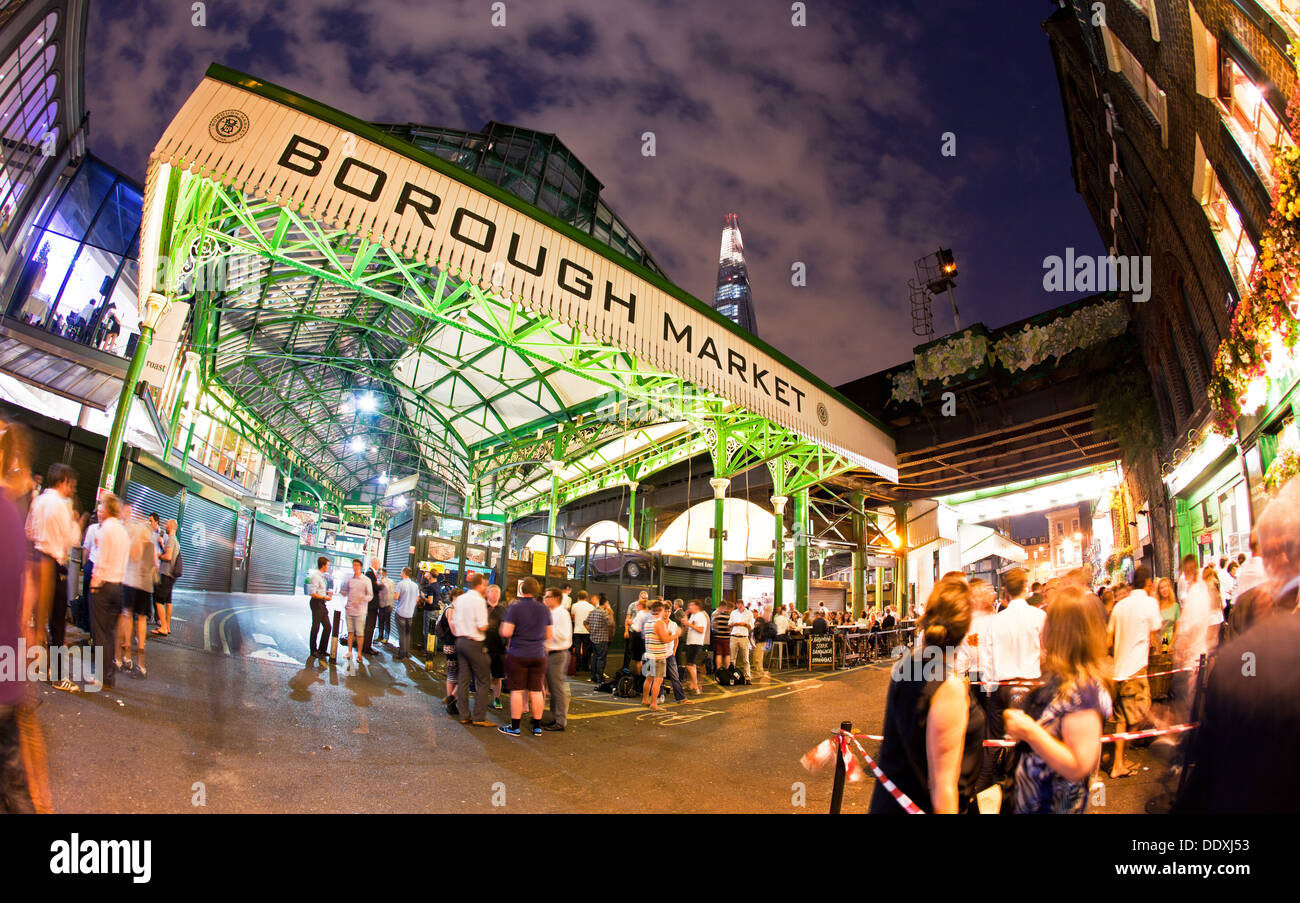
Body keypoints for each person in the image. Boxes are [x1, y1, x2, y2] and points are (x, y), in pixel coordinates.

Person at [868, 577, 983, 814]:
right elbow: (942, 786)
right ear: (966, 625)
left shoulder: (908, 664)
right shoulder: (948, 687)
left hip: (891, 802)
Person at [1005, 585, 1112, 814]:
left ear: (1062, 631)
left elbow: (1078, 766)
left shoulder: (1083, 693)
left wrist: (1028, 732)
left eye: (1049, 619)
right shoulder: (1065, 680)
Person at [25, 463, 82, 687]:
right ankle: (57, 675)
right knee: (57, 621)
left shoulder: (37, 501)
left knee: (35, 618)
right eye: (72, 485)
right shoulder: (60, 506)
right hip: (54, 565)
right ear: (64, 481)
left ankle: (29, 668)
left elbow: (28, 531)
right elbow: (72, 539)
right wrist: (77, 522)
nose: (73, 489)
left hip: (35, 560)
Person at [1106, 566, 1162, 779]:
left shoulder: (1120, 606)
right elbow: (1157, 628)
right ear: (1148, 583)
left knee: (1122, 718)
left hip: (1119, 671)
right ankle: (1118, 763)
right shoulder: (1149, 602)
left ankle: (1120, 760)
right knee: (1140, 715)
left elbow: (1109, 638)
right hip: (1136, 671)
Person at [499, 577, 552, 737]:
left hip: (518, 653)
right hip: (538, 654)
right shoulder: (544, 609)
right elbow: (549, 634)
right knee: (536, 691)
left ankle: (515, 727)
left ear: (522, 589)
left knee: (517, 690)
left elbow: (506, 632)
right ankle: (537, 727)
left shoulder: (516, 608)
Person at [88, 493, 129, 691]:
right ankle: (109, 676)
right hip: (118, 586)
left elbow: (101, 559)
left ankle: (100, 677)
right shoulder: (122, 530)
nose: (99, 510)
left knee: (100, 633)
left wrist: (95, 581)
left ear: (108, 509)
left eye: (102, 506)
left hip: (104, 586)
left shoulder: (106, 529)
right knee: (110, 633)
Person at [118, 508, 158, 679]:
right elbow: (154, 569)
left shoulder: (131, 544)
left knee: (126, 615)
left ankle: (124, 655)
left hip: (129, 584)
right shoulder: (150, 546)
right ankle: (141, 663)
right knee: (141, 619)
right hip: (144, 587)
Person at [452, 572, 493, 727]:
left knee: (463, 679)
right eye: (485, 585)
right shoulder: (479, 601)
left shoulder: (461, 599)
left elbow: (455, 622)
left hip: (460, 641)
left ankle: (463, 715)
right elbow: (482, 626)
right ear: (480, 585)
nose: (486, 588)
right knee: (483, 680)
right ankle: (479, 717)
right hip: (474, 643)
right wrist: (490, 624)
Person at [542, 587, 571, 731]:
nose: (544, 599)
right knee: (553, 688)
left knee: (557, 688)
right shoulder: (552, 613)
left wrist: (547, 629)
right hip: (550, 653)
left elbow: (563, 635)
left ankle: (560, 721)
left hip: (558, 654)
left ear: (554, 598)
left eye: (547, 597)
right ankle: (554, 717)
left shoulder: (562, 614)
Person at [641, 601, 672, 709]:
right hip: (658, 655)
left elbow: (653, 636)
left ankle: (645, 700)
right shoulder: (659, 623)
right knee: (658, 680)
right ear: (661, 610)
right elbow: (665, 639)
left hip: (649, 654)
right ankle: (654, 703)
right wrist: (676, 634)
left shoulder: (648, 622)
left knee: (648, 679)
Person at [343, 559, 373, 667]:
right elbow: (345, 591)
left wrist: (362, 598)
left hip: (360, 611)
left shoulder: (366, 580)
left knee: (360, 634)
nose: (354, 567)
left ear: (360, 567)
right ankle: (350, 652)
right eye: (353, 565)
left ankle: (359, 654)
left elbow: (370, 596)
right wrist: (343, 593)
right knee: (350, 632)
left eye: (356, 565)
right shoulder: (350, 579)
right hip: (349, 609)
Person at [152, 518, 179, 636]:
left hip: (166, 574)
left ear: (172, 527)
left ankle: (163, 626)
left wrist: (159, 556)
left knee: (158, 600)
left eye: (167, 525)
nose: (165, 526)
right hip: (171, 575)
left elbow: (168, 557)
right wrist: (162, 544)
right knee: (168, 601)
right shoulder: (175, 540)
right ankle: (167, 626)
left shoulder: (171, 539)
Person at [483, 583, 507, 708]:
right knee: (482, 675)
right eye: (492, 591)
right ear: (487, 594)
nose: (495, 594)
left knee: (498, 676)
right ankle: (481, 698)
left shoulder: (503, 610)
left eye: (497, 592)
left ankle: (496, 699)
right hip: (483, 647)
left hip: (499, 648)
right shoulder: (481, 607)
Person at [307, 556, 333, 658]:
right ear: (323, 565)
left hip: (322, 603)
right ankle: (313, 650)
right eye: (327, 565)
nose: (328, 567)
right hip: (316, 603)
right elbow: (312, 593)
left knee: (328, 627)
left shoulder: (322, 576)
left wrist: (326, 595)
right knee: (316, 627)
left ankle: (322, 649)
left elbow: (319, 591)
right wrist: (324, 597)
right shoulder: (316, 576)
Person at [393, 567, 420, 661]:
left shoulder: (400, 584)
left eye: (401, 571)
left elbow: (396, 597)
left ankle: (401, 654)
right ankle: (407, 653)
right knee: (407, 634)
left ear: (404, 573)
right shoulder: (415, 585)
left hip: (401, 612)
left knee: (402, 634)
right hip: (410, 613)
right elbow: (417, 599)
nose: (400, 573)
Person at [585, 593, 612, 684]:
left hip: (593, 638)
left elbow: (585, 622)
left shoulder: (592, 612)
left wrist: (591, 630)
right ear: (604, 603)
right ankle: (600, 678)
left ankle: (593, 677)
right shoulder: (604, 612)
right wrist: (610, 611)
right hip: (602, 639)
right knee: (601, 659)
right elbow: (610, 623)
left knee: (594, 657)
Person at [683, 599, 709, 693]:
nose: (690, 607)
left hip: (696, 642)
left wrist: (688, 624)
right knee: (692, 664)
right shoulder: (693, 615)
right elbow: (688, 627)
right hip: (690, 642)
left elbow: (701, 630)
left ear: (697, 606)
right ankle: (693, 685)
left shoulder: (700, 616)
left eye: (692, 605)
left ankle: (696, 686)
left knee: (690, 665)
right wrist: (686, 617)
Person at [728, 600, 754, 682]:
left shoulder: (749, 613)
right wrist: (733, 624)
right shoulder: (733, 613)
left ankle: (747, 677)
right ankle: (732, 677)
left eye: (740, 605)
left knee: (745, 658)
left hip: (744, 637)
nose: (739, 606)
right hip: (734, 636)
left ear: (743, 605)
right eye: (737, 605)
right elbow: (729, 623)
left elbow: (751, 626)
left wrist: (744, 624)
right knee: (732, 659)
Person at [362, 557, 382, 656]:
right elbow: (375, 587)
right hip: (371, 604)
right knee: (370, 625)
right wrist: (381, 585)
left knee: (369, 626)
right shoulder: (370, 573)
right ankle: (366, 647)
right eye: (379, 563)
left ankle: (366, 646)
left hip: (370, 604)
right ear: (375, 563)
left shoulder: (370, 573)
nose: (379, 565)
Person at [570, 589, 593, 672]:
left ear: (578, 597)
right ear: (587, 597)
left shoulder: (574, 605)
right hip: (587, 630)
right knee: (586, 649)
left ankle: (577, 666)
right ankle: (585, 666)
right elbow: (592, 618)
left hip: (577, 630)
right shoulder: (591, 606)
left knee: (577, 649)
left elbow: (572, 617)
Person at [1155, 577, 1179, 651]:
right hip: (1158, 645)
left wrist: (1171, 645)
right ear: (1159, 591)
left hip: (1172, 645)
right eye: (1162, 587)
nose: (1164, 589)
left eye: (1166, 586)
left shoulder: (1175, 606)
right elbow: (1153, 631)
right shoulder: (1156, 606)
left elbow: (1176, 629)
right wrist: (1157, 645)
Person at [711, 599, 733, 672]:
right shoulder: (729, 617)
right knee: (727, 654)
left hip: (718, 637)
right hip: (726, 638)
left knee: (719, 654)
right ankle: (727, 669)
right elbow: (730, 628)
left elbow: (714, 626)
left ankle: (718, 670)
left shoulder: (718, 616)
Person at [375, 567, 395, 646]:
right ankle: (380, 636)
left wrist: (391, 605)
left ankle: (386, 638)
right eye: (379, 573)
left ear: (385, 573)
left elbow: (392, 593)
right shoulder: (378, 581)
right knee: (380, 621)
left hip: (388, 604)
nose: (380, 575)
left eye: (382, 573)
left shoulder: (390, 582)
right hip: (380, 604)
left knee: (387, 621)